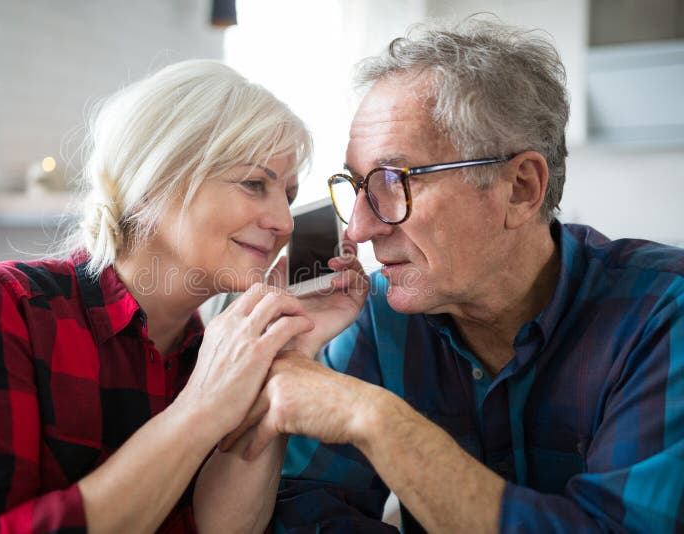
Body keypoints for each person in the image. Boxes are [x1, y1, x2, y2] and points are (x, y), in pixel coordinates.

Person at [219, 19, 684, 532]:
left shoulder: (663, 313)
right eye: (356, 185)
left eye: (393, 181)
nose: (360, 227)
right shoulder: (381, 316)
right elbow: (303, 501)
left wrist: (377, 421)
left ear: (520, 189)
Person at [0, 60, 368, 533]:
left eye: (287, 193)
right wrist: (200, 408)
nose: (283, 222)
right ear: (155, 180)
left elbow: (219, 526)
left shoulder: (210, 352)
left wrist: (276, 355)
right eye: (253, 183)